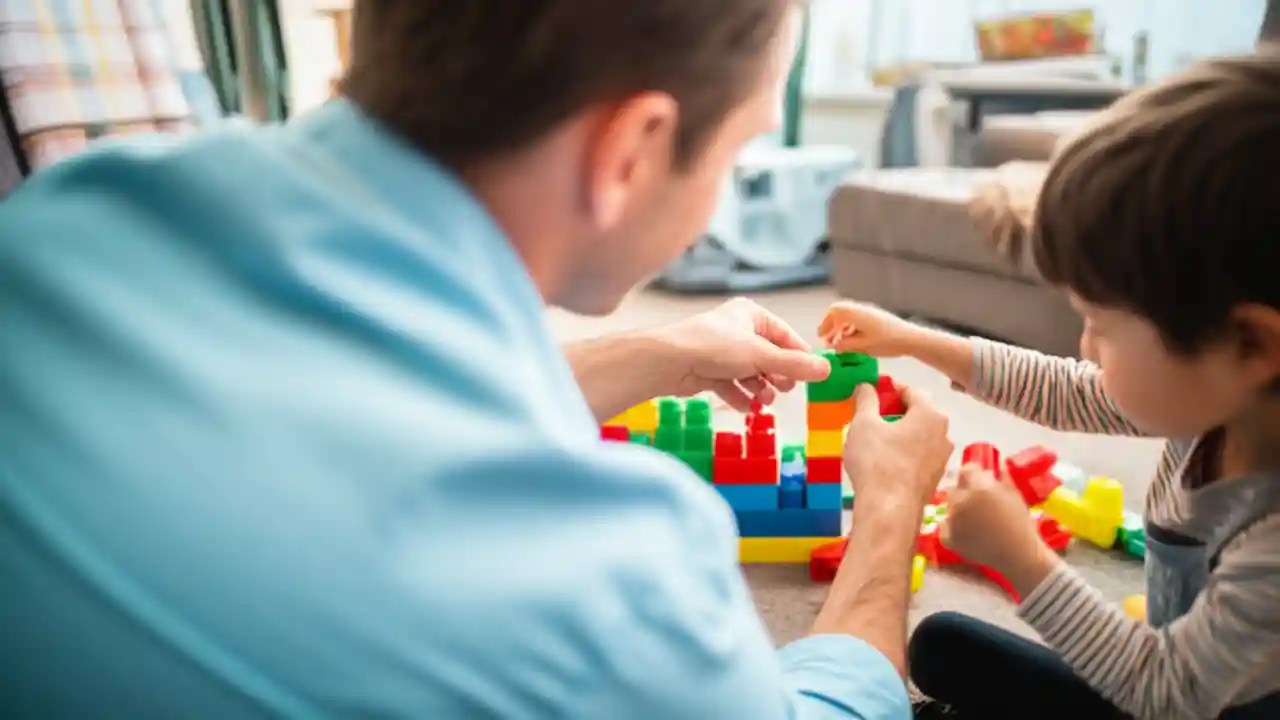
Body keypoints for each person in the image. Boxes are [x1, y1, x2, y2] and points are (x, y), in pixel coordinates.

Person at [0, 1, 954, 717]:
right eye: (737, 152)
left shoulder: (65, 218)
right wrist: (887, 516)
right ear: (630, 151)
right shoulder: (619, 572)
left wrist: (655, 350)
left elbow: (347, 406)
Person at [821, 56, 1280, 720]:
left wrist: (1023, 559)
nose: (1084, 347)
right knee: (946, 647)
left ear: (1253, 346)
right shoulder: (1219, 396)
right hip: (1178, 672)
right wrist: (911, 338)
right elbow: (1074, 392)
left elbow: (1167, 693)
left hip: (1183, 699)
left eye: (1099, 325)